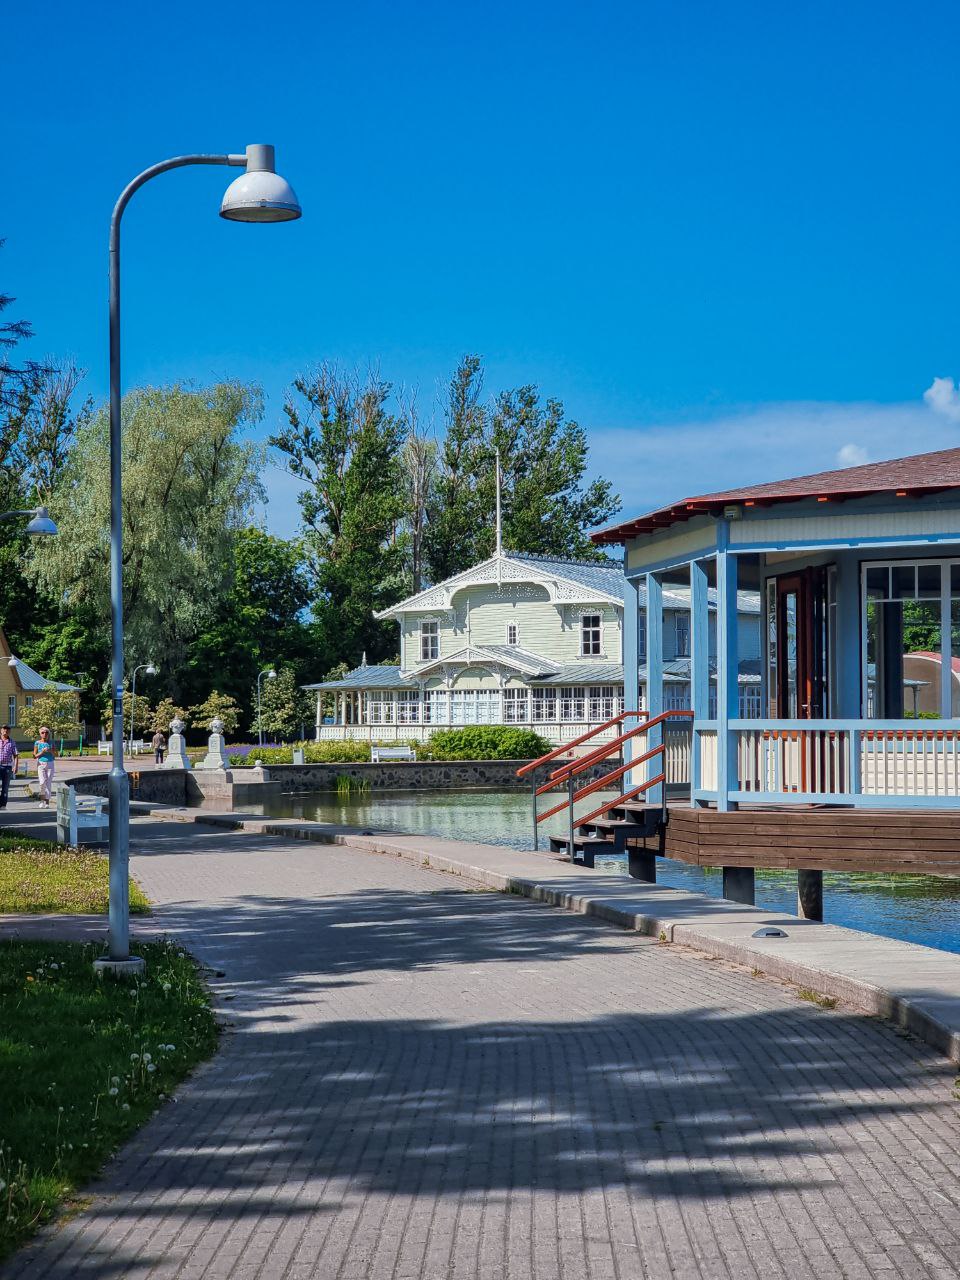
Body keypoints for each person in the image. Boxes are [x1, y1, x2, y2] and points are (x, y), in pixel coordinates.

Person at [33, 726, 56, 808]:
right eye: (43, 732)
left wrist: (50, 751)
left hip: (50, 763)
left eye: (46, 732)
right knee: (42, 783)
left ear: (48, 734)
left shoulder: (51, 743)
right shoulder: (37, 743)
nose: (45, 734)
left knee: (48, 783)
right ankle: (41, 800)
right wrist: (42, 752)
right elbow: (34, 756)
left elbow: (55, 755)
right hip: (41, 764)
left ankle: (47, 802)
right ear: (40, 734)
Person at [0, 725, 18, 809]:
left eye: (7, 730)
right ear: (1, 730)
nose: (5, 731)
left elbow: (16, 755)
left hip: (7, 767)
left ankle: (3, 805)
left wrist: (15, 766)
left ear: (9, 732)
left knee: (5, 787)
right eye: (4, 729)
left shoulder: (12, 742)